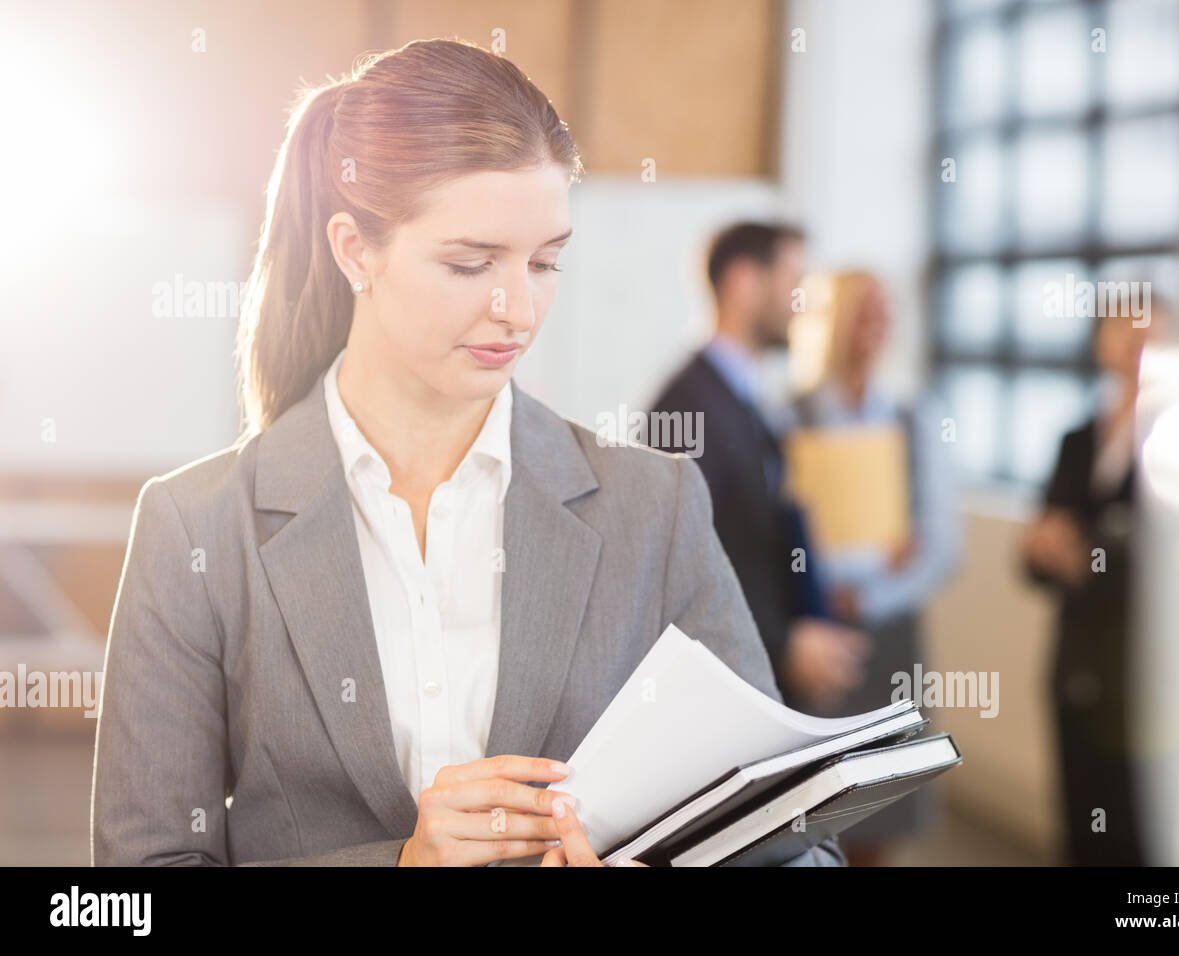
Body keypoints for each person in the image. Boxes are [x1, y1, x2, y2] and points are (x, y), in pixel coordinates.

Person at [90, 39, 845, 868]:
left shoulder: (653, 506)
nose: (517, 310)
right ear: (354, 251)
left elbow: (799, 847)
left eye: (546, 261)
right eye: (470, 262)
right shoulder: (195, 529)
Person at [650, 223, 871, 717]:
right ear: (745, 283)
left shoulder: (750, 397)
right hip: (725, 694)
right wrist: (781, 642)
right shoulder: (686, 406)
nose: (805, 303)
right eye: (796, 282)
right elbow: (678, 559)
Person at [792, 270, 962, 865]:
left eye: (885, 311)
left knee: (879, 824)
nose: (876, 325)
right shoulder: (788, 415)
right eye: (862, 309)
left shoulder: (916, 418)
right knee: (807, 821)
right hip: (811, 645)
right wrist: (833, 583)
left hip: (888, 641)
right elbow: (778, 534)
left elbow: (940, 549)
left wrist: (865, 597)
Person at [1021, 294, 1171, 866]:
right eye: (1127, 336)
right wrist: (1049, 551)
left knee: (1137, 838)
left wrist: (1085, 553)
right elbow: (1039, 552)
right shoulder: (1078, 439)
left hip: (1145, 677)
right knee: (1082, 824)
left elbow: (1165, 562)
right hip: (1076, 668)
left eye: (1153, 338)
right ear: (1101, 343)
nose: (1139, 351)